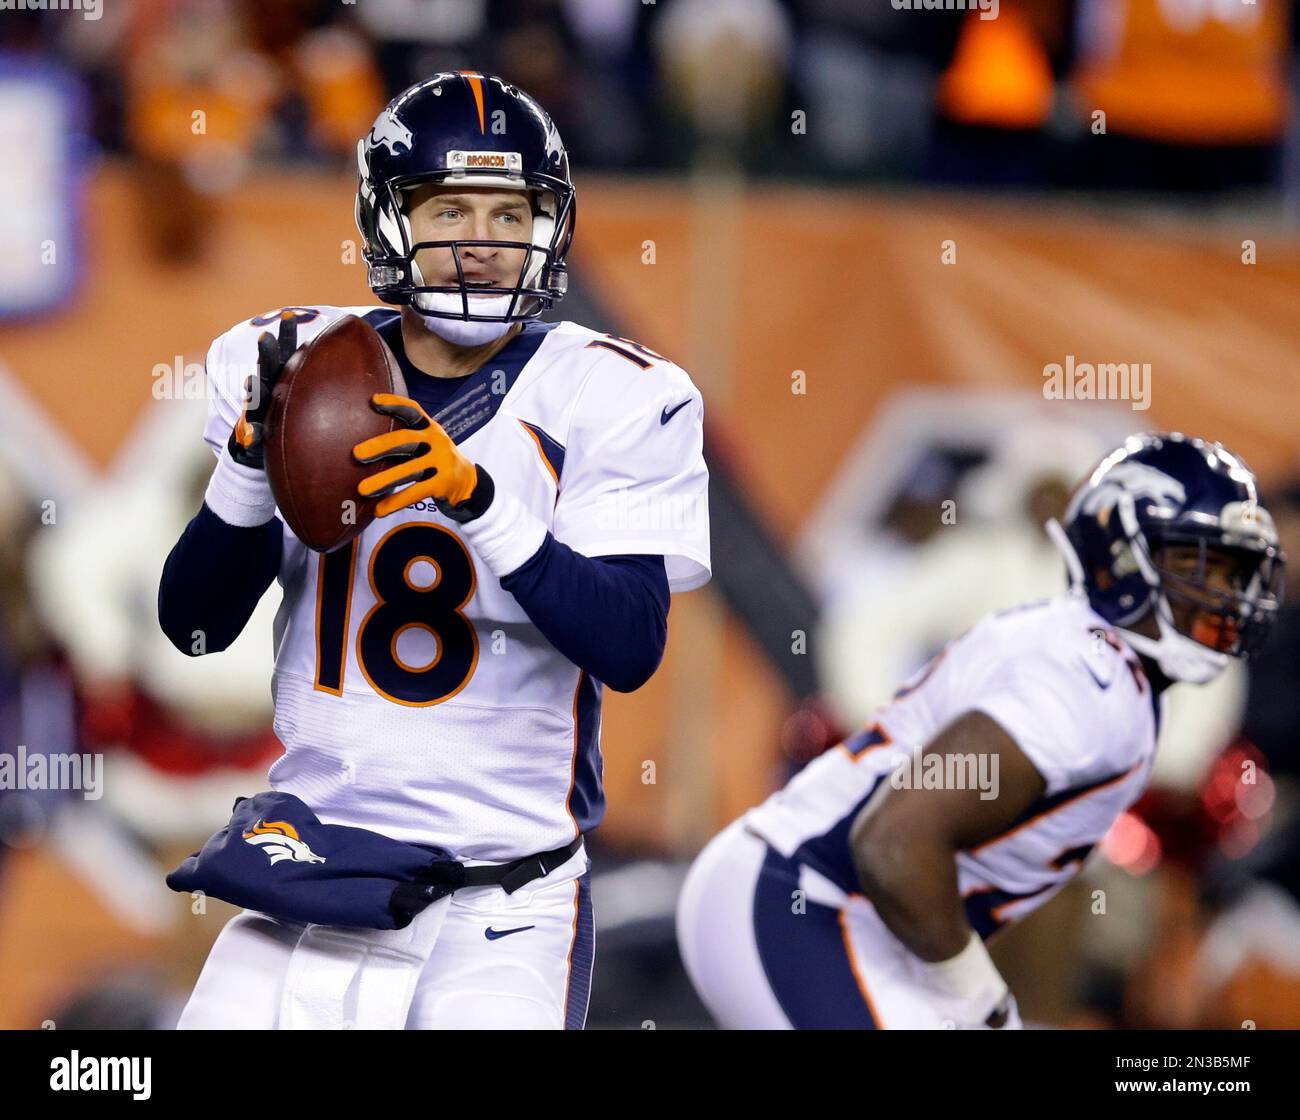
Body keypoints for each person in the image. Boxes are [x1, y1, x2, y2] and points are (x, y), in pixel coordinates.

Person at [158, 71, 710, 1030]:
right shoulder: (297, 364)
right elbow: (196, 628)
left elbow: (629, 647)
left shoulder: (611, 394)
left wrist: (478, 499)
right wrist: (251, 468)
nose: (480, 245)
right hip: (311, 869)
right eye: (449, 207)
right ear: (387, 219)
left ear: (550, 228)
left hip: (501, 902)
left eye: (509, 214)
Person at [676, 432, 1280, 1029]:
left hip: (851, 922)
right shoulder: (1088, 684)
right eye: (1198, 566)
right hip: (806, 907)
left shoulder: (1106, 665)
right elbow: (894, 843)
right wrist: (978, 997)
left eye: (1234, 573)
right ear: (1122, 555)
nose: (1224, 596)